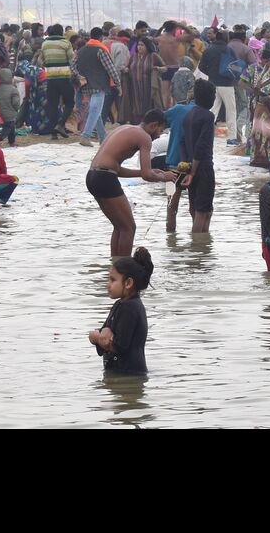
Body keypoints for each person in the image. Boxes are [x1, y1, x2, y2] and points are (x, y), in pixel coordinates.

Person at [85, 111, 178, 256]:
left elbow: (116, 169)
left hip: (93, 176)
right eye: (160, 131)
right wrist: (164, 176)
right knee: (129, 228)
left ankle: (115, 267)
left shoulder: (124, 129)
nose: (159, 135)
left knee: (119, 226)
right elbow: (147, 175)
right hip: (104, 178)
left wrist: (149, 172)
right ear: (153, 125)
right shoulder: (144, 137)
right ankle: (124, 269)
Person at [90, 248, 153, 376]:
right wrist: (100, 335)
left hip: (130, 375)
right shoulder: (120, 304)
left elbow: (119, 346)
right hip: (120, 374)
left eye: (113, 280)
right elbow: (105, 333)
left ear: (128, 283)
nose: (108, 285)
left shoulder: (131, 308)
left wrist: (97, 336)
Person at [181, 79, 217, 236]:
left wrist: (188, 170)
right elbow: (201, 147)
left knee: (199, 209)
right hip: (203, 168)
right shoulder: (208, 117)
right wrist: (194, 172)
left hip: (190, 167)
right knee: (203, 211)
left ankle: (201, 250)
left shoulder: (188, 115)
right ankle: (197, 249)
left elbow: (183, 143)